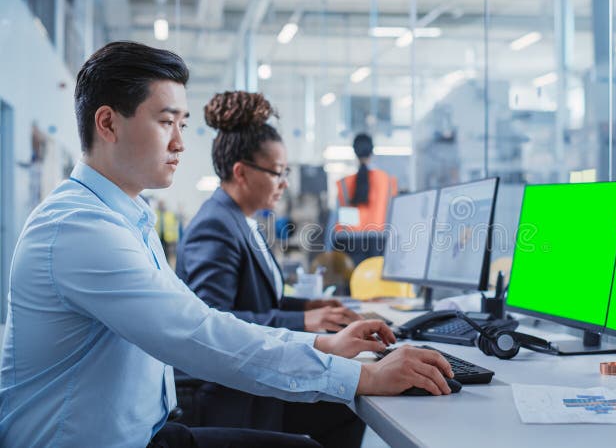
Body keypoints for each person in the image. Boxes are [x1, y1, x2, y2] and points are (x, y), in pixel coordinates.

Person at [0, 41, 455, 448]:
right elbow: (197, 335)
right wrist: (362, 374)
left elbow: (205, 319)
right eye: (165, 122)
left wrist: (324, 346)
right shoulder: (81, 229)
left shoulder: (129, 218)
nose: (180, 142)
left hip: (150, 431)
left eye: (182, 123)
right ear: (108, 123)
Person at [174, 91, 364, 445]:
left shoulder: (242, 220)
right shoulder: (214, 225)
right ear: (241, 173)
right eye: (277, 173)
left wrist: (310, 308)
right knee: (343, 403)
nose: (284, 183)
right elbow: (216, 321)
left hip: (245, 378)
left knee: (345, 405)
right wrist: (306, 323)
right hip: (222, 393)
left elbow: (262, 301)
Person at [333, 134, 398, 265]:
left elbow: (340, 219)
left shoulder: (345, 183)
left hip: (352, 244)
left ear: (354, 152)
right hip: (380, 244)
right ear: (372, 151)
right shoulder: (388, 181)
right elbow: (393, 214)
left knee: (354, 283)